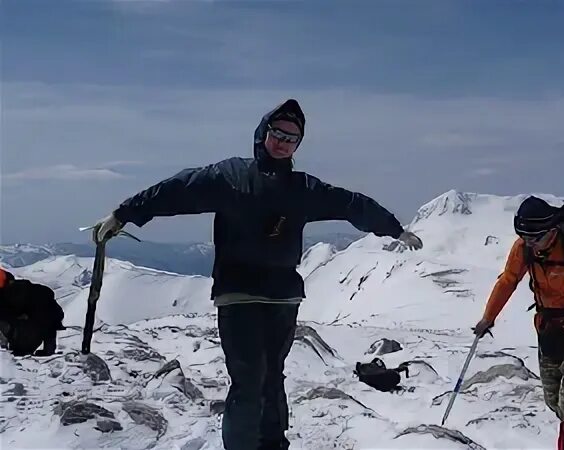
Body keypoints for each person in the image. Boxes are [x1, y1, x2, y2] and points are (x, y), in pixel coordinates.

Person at [91, 99, 423, 450]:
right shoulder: (229, 176)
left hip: (283, 296)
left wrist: (394, 229)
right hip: (240, 293)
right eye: (277, 133)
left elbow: (351, 204)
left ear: (298, 145)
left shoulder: (303, 188)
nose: (282, 141)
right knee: (249, 379)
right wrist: (124, 213)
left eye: (292, 138)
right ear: (263, 133)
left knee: (271, 379)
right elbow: (177, 190)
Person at [473, 196, 564, 450]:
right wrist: (488, 318)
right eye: (525, 238)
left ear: (551, 229)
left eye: (536, 238)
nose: (531, 244)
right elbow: (508, 280)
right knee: (555, 401)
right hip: (548, 327)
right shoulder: (525, 247)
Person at [0, 267, 66, 357]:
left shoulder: (16, 296)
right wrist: (49, 349)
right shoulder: (34, 292)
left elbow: (49, 318)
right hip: (29, 332)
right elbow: (52, 319)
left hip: (26, 334)